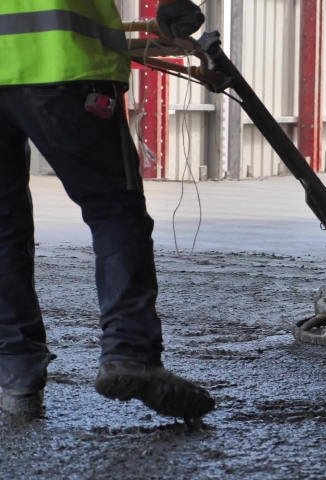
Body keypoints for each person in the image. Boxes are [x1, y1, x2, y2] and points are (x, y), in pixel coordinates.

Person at [0, 0, 211, 420]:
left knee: (3, 228)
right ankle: (130, 353)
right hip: (63, 65)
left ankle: (15, 379)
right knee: (114, 211)